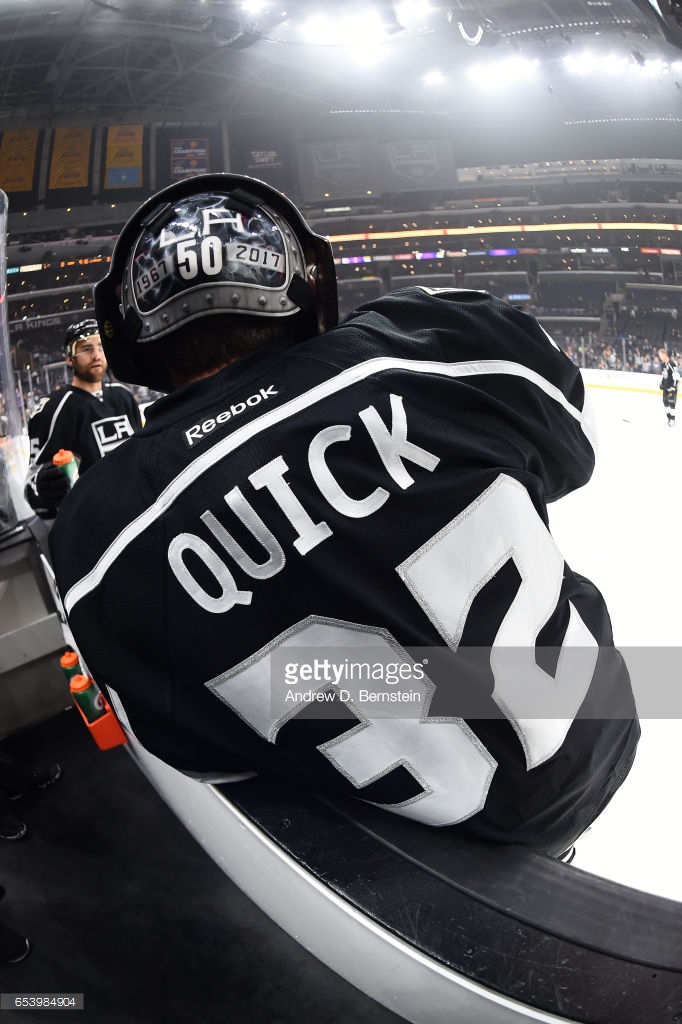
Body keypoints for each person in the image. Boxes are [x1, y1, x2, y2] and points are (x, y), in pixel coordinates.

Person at [48, 174, 639, 858]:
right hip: (598, 734)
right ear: (306, 284)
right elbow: (576, 446)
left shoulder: (99, 540)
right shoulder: (427, 342)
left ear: (128, 338)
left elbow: (202, 754)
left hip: (420, 853)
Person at [24, 319, 143, 518]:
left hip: (140, 513)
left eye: (101, 347)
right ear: (69, 358)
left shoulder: (123, 396)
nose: (96, 355)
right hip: (95, 527)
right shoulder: (53, 409)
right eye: (87, 348)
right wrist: (43, 489)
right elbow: (32, 485)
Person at [658, 348, 679, 427]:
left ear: (665, 354)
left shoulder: (672, 364)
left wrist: (674, 386)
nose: (660, 356)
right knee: (665, 403)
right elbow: (664, 376)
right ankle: (669, 419)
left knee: (672, 403)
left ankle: (672, 420)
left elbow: (676, 376)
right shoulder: (663, 364)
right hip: (666, 387)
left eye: (661, 355)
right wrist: (662, 383)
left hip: (672, 387)